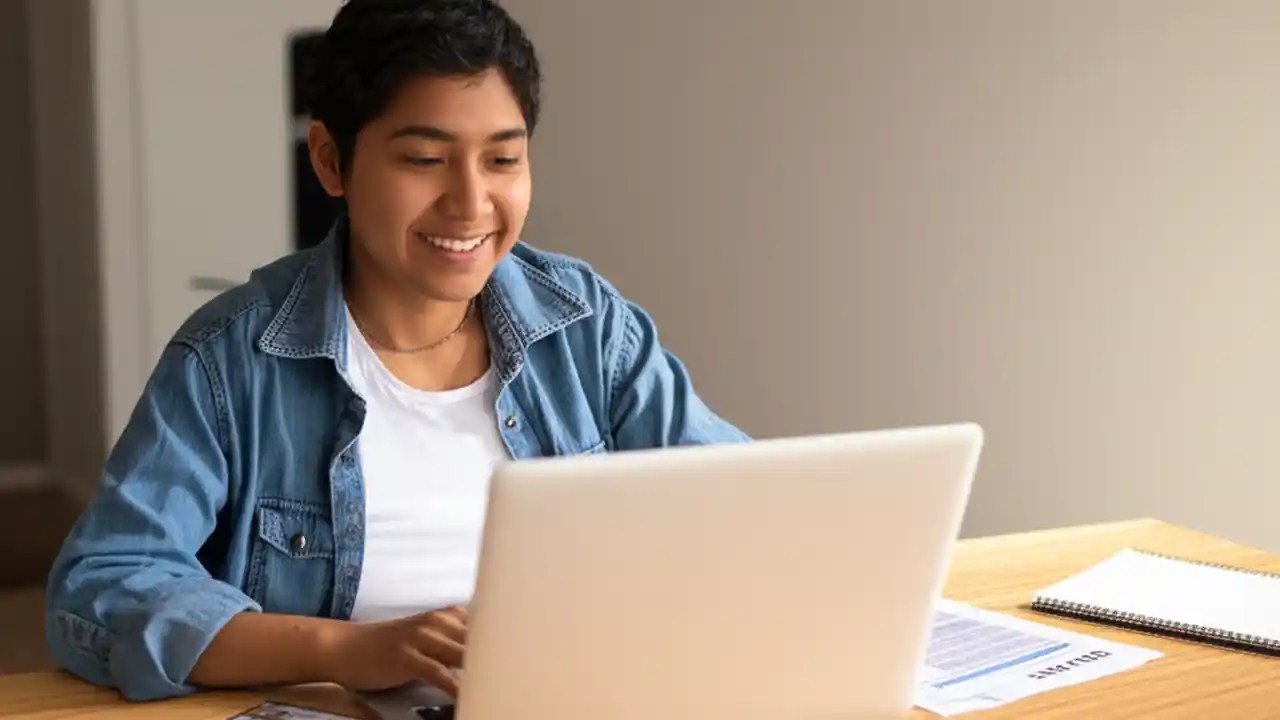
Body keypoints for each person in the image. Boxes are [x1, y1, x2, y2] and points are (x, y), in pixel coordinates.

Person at [45, 0, 746, 702]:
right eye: (425, 159)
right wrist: (347, 652)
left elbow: (740, 506)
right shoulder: (228, 362)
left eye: (503, 158)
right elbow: (103, 585)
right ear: (331, 159)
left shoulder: (587, 328)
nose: (471, 203)